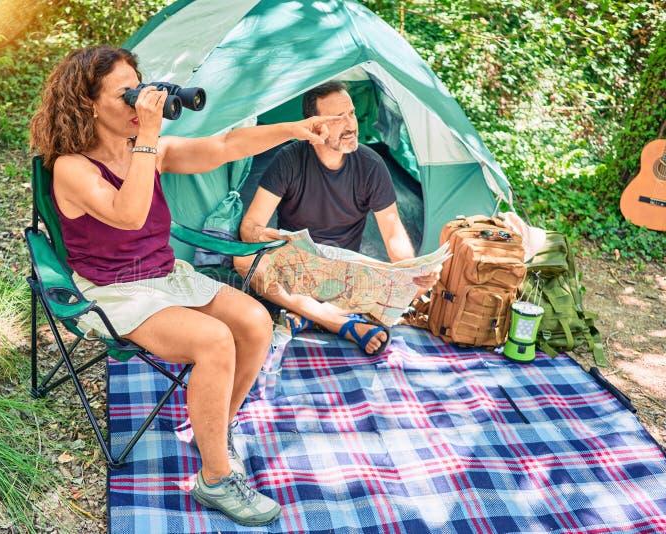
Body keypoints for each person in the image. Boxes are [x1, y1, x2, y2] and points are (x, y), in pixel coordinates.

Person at [29, 46, 342, 526]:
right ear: (89, 104)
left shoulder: (147, 151)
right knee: (214, 341)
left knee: (257, 322)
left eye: (141, 93)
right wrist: (151, 136)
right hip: (114, 292)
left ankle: (214, 427)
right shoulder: (74, 167)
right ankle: (215, 479)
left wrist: (295, 130)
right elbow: (129, 215)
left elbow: (224, 147)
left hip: (164, 275)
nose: (139, 105)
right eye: (125, 96)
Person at [234, 81, 439, 356]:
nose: (351, 124)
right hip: (297, 270)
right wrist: (261, 235)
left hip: (344, 275)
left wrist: (411, 270)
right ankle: (338, 322)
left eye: (352, 113)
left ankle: (308, 316)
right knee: (244, 261)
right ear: (315, 126)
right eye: (338, 118)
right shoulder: (290, 159)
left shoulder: (371, 165)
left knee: (410, 284)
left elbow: (393, 233)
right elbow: (250, 225)